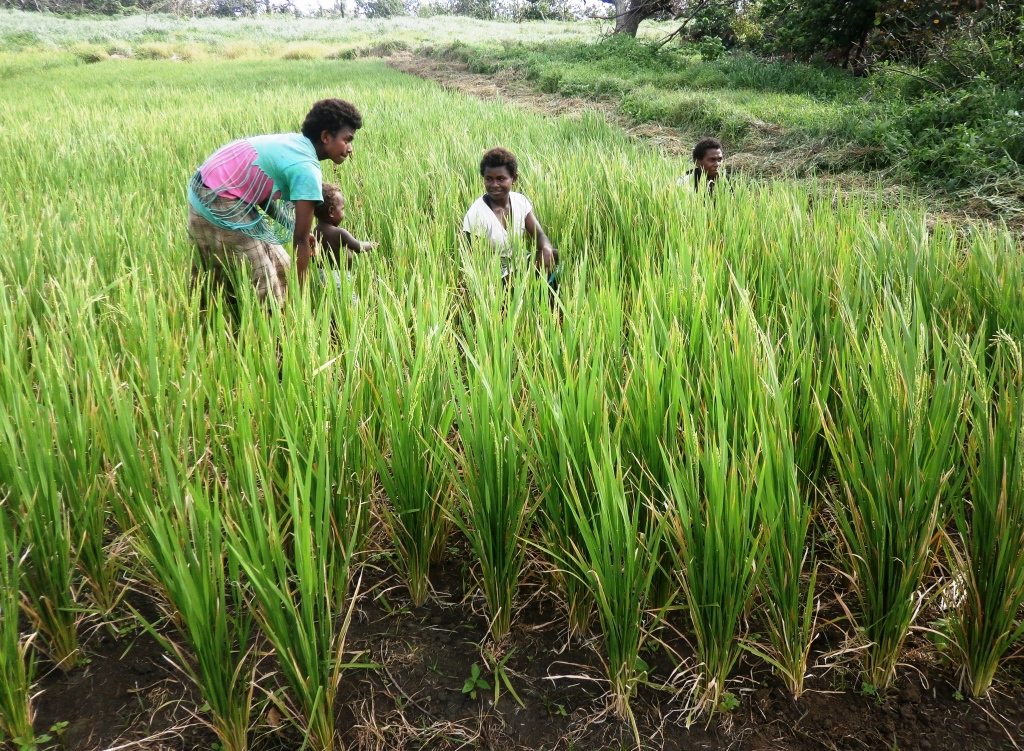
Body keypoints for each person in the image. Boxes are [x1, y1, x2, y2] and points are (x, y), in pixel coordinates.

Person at [187, 98, 362, 307]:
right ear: (325, 136)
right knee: (264, 280)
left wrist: (299, 230)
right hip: (217, 197)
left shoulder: (297, 145)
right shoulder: (306, 169)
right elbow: (299, 242)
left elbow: (262, 194)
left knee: (281, 264)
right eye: (347, 139)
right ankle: (276, 328)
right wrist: (300, 298)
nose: (350, 148)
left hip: (226, 191)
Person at [462, 147, 557, 284]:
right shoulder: (476, 216)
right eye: (489, 179)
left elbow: (539, 235)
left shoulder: (520, 202)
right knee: (539, 284)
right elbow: (476, 264)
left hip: (521, 261)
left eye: (501, 179)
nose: (494, 185)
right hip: (497, 277)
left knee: (559, 255)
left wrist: (546, 249)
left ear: (514, 179)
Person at [313, 183, 378, 270]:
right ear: (331, 211)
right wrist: (372, 244)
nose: (344, 213)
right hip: (339, 278)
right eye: (342, 209)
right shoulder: (339, 233)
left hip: (321, 275)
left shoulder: (315, 231)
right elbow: (358, 247)